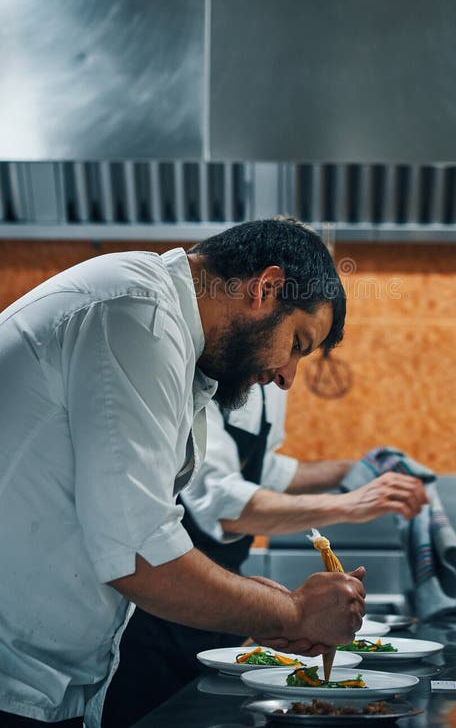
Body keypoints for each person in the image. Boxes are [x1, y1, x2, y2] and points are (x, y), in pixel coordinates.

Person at [0, 219, 367, 728]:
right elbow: (139, 552)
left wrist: (268, 603)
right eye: (297, 343)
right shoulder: (135, 313)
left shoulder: (168, 333)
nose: (287, 377)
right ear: (265, 288)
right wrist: (293, 613)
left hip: (42, 686)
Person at [103, 383, 427, 726]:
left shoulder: (270, 384)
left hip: (223, 602)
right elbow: (221, 503)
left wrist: (354, 471)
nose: (288, 376)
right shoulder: (196, 377)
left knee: (213, 712)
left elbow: (264, 472)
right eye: (297, 351)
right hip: (159, 605)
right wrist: (348, 505)